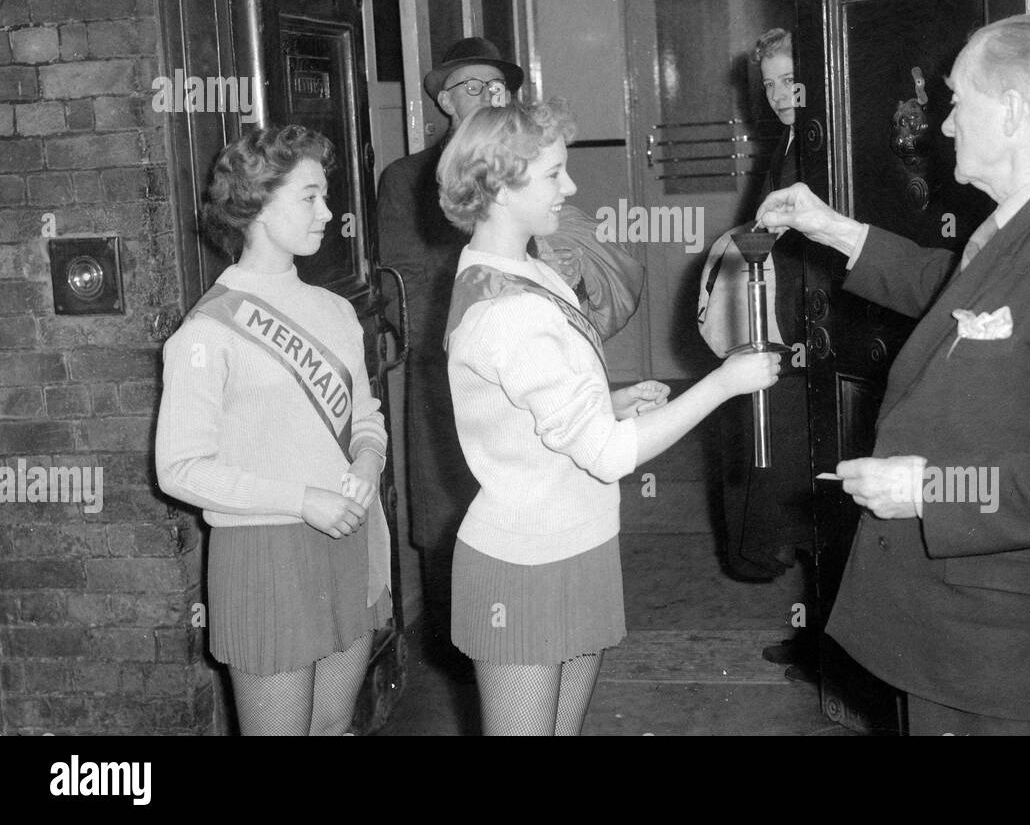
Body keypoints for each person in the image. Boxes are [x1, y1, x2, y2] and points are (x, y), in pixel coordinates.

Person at [756, 14, 1030, 735]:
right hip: (964, 637)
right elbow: (960, 293)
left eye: (958, 103)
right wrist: (835, 230)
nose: (943, 127)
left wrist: (930, 488)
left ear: (1011, 111)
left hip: (1015, 658)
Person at [438, 98, 778, 735]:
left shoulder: (529, 271)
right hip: (525, 562)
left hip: (577, 540)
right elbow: (609, 455)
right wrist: (722, 384)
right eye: (552, 175)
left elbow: (533, 409)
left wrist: (605, 404)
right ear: (500, 188)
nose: (570, 188)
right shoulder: (505, 309)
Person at [376, 36, 642, 679]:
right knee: (453, 520)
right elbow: (398, 289)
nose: (488, 95)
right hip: (447, 378)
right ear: (442, 101)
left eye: (497, 86)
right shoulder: (407, 179)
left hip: (530, 386)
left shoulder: (530, 197)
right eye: (471, 86)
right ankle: (464, 662)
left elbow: (584, 289)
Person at [156, 125, 391, 735]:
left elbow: (366, 418)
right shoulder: (207, 331)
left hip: (347, 540)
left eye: (325, 194)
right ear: (257, 204)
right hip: (265, 556)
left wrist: (366, 464)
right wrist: (302, 499)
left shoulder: (337, 310)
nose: (329, 211)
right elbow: (178, 469)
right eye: (310, 196)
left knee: (335, 728)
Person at [717, 29, 817, 676]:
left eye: (791, 79)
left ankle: (826, 641)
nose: (782, 94)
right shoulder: (789, 141)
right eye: (772, 83)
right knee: (799, 484)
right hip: (787, 337)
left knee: (812, 486)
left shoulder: (821, 142)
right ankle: (818, 635)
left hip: (812, 342)